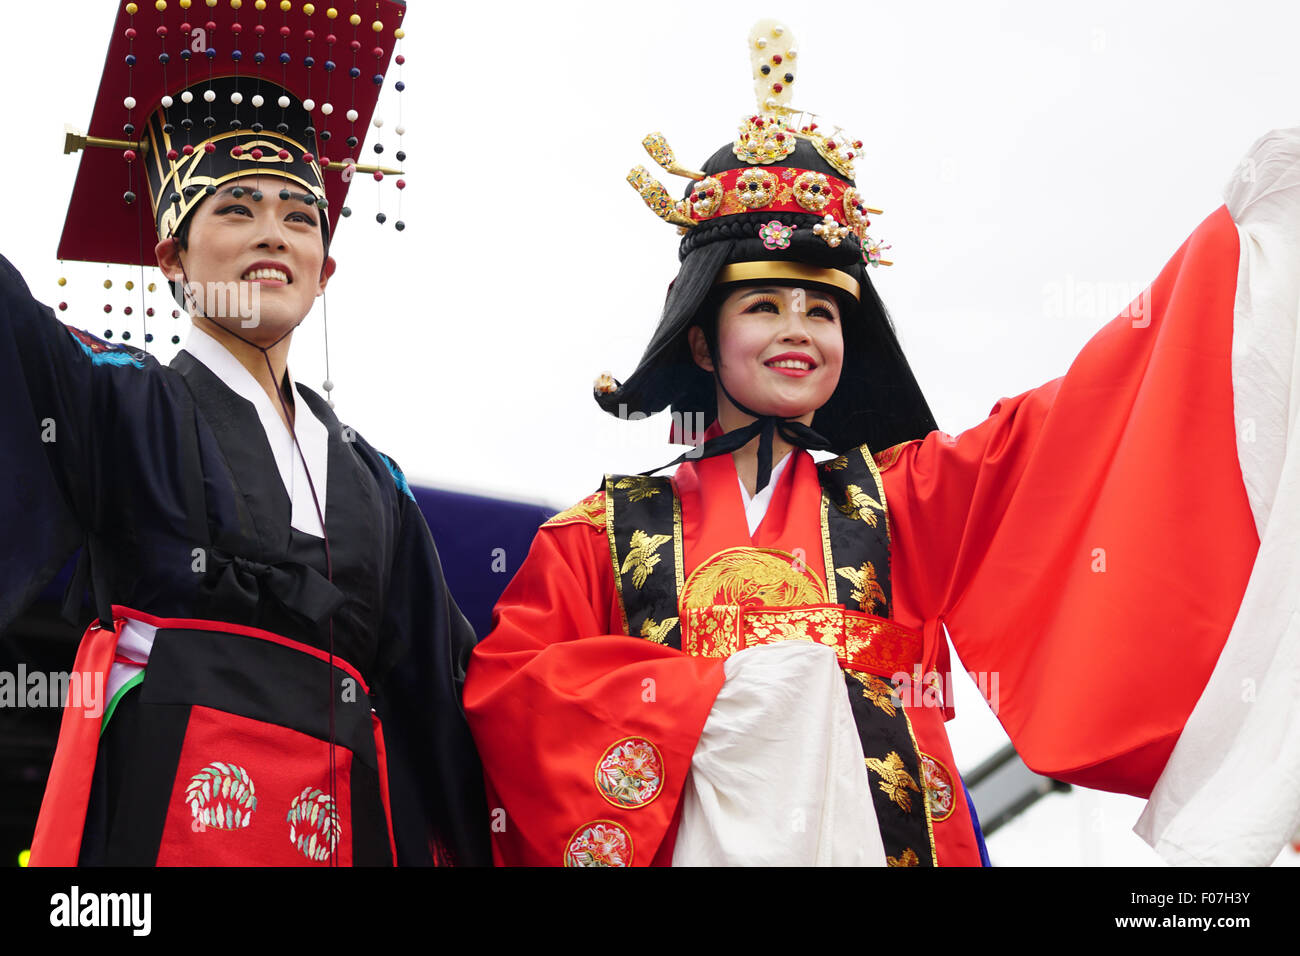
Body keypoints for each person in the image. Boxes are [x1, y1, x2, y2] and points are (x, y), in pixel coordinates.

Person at [463, 19, 1291, 866]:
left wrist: (1236, 272)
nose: (799, 332)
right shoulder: (601, 535)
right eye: (763, 307)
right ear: (703, 342)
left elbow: (1081, 428)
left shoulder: (903, 499)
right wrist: (720, 699)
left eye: (822, 311)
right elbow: (513, 691)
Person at [3, 1, 489, 866]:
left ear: (324, 269)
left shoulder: (376, 486)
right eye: (237, 209)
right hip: (167, 812)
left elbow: (456, 696)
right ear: (171, 257)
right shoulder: (122, 401)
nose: (274, 234)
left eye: (300, 218)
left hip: (345, 825)